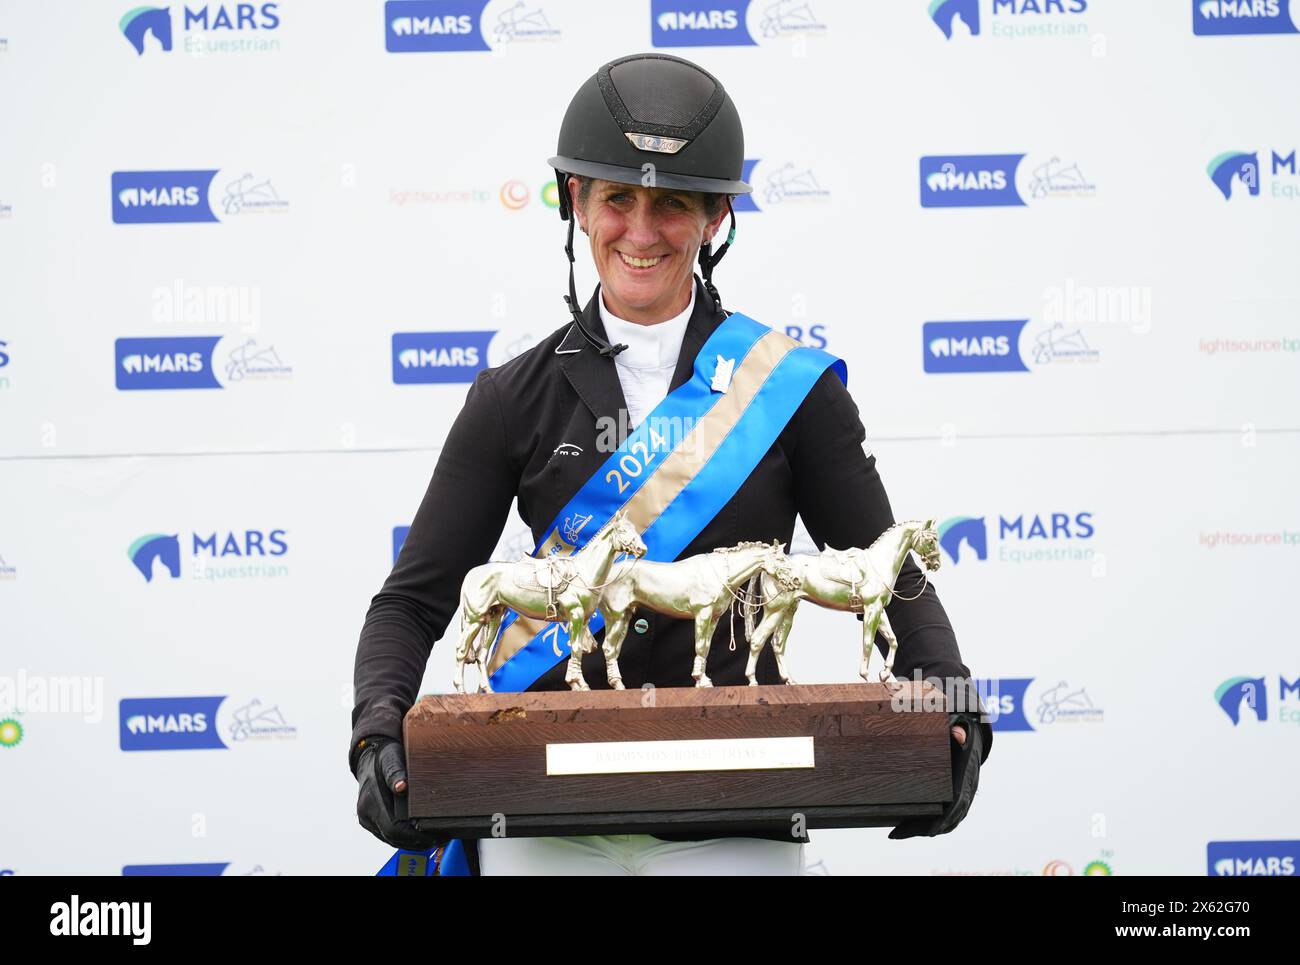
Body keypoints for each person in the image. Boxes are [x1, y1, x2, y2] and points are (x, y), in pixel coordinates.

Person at [351, 52, 991, 876]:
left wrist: (957, 706)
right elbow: (411, 602)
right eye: (619, 198)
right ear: (576, 201)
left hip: (742, 804)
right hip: (544, 809)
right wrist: (376, 729)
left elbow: (890, 572)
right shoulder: (511, 398)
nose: (643, 231)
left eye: (673, 204)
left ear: (716, 216)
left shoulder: (791, 390)